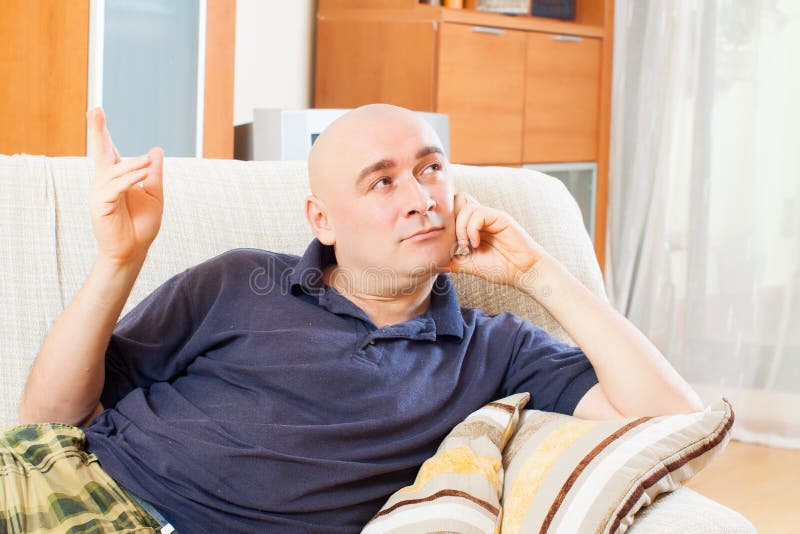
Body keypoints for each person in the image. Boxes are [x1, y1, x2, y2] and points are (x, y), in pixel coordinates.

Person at [4, 104, 703, 533]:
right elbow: (49, 415)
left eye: (432, 169)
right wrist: (117, 263)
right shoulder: (237, 280)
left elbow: (672, 421)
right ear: (322, 220)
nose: (422, 197)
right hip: (63, 484)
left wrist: (537, 273)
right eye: (384, 180)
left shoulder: (494, 348)